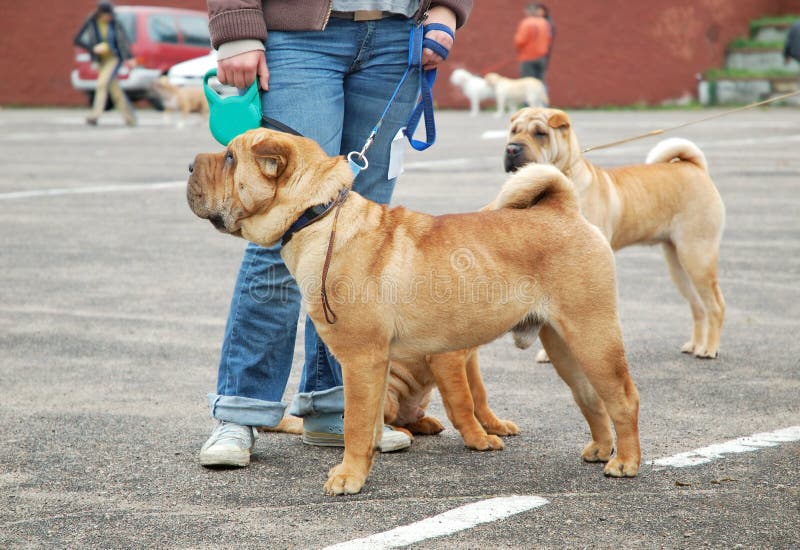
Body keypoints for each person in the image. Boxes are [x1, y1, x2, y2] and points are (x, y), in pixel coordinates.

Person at [199, 0, 473, 468]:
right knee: (282, 225)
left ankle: (332, 406)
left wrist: (447, 9)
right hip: (299, 39)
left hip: (398, 37)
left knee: (365, 243)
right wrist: (236, 29)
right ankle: (241, 411)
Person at [73, 1, 136, 127]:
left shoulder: (115, 23)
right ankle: (130, 118)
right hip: (101, 60)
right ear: (100, 13)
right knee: (115, 89)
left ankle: (95, 115)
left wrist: (129, 57)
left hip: (114, 58)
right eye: (107, 15)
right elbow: (77, 39)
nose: (109, 17)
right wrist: (93, 48)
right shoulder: (92, 22)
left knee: (102, 84)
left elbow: (123, 41)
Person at [514, 3, 552, 83]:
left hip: (528, 56)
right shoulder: (545, 23)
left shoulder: (526, 23)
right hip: (542, 56)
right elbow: (549, 39)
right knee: (540, 82)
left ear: (528, 11)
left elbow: (520, 41)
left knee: (527, 82)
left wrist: (519, 48)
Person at [534, 4, 555, 84]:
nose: (538, 13)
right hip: (536, 55)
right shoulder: (537, 22)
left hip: (541, 55)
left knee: (539, 78)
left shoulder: (547, 24)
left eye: (539, 11)